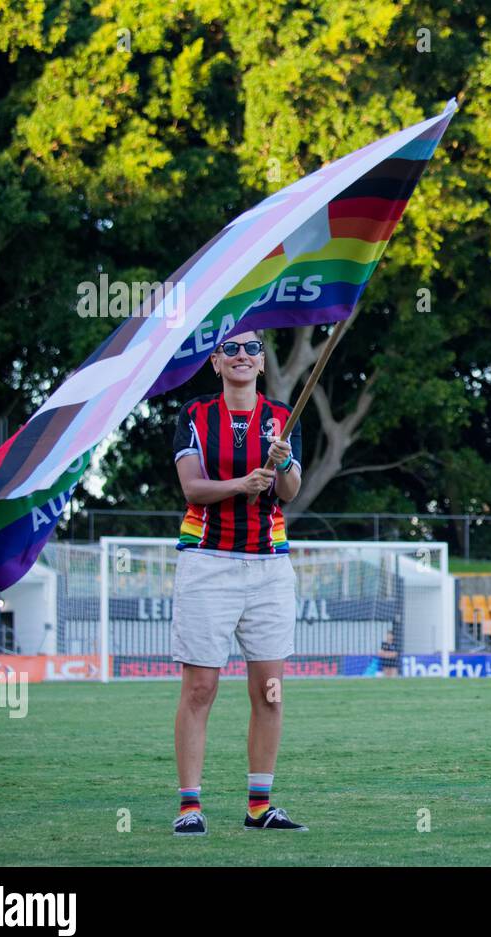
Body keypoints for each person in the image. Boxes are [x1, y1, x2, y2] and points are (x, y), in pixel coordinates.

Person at [169, 329, 307, 836]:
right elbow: (191, 487)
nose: (242, 356)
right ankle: (189, 805)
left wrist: (284, 461)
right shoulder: (194, 416)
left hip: (269, 566)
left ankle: (259, 806)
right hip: (208, 562)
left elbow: (290, 492)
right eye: (231, 349)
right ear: (215, 362)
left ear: (264, 361)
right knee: (201, 687)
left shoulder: (283, 416)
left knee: (269, 692)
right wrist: (241, 484)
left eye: (252, 348)